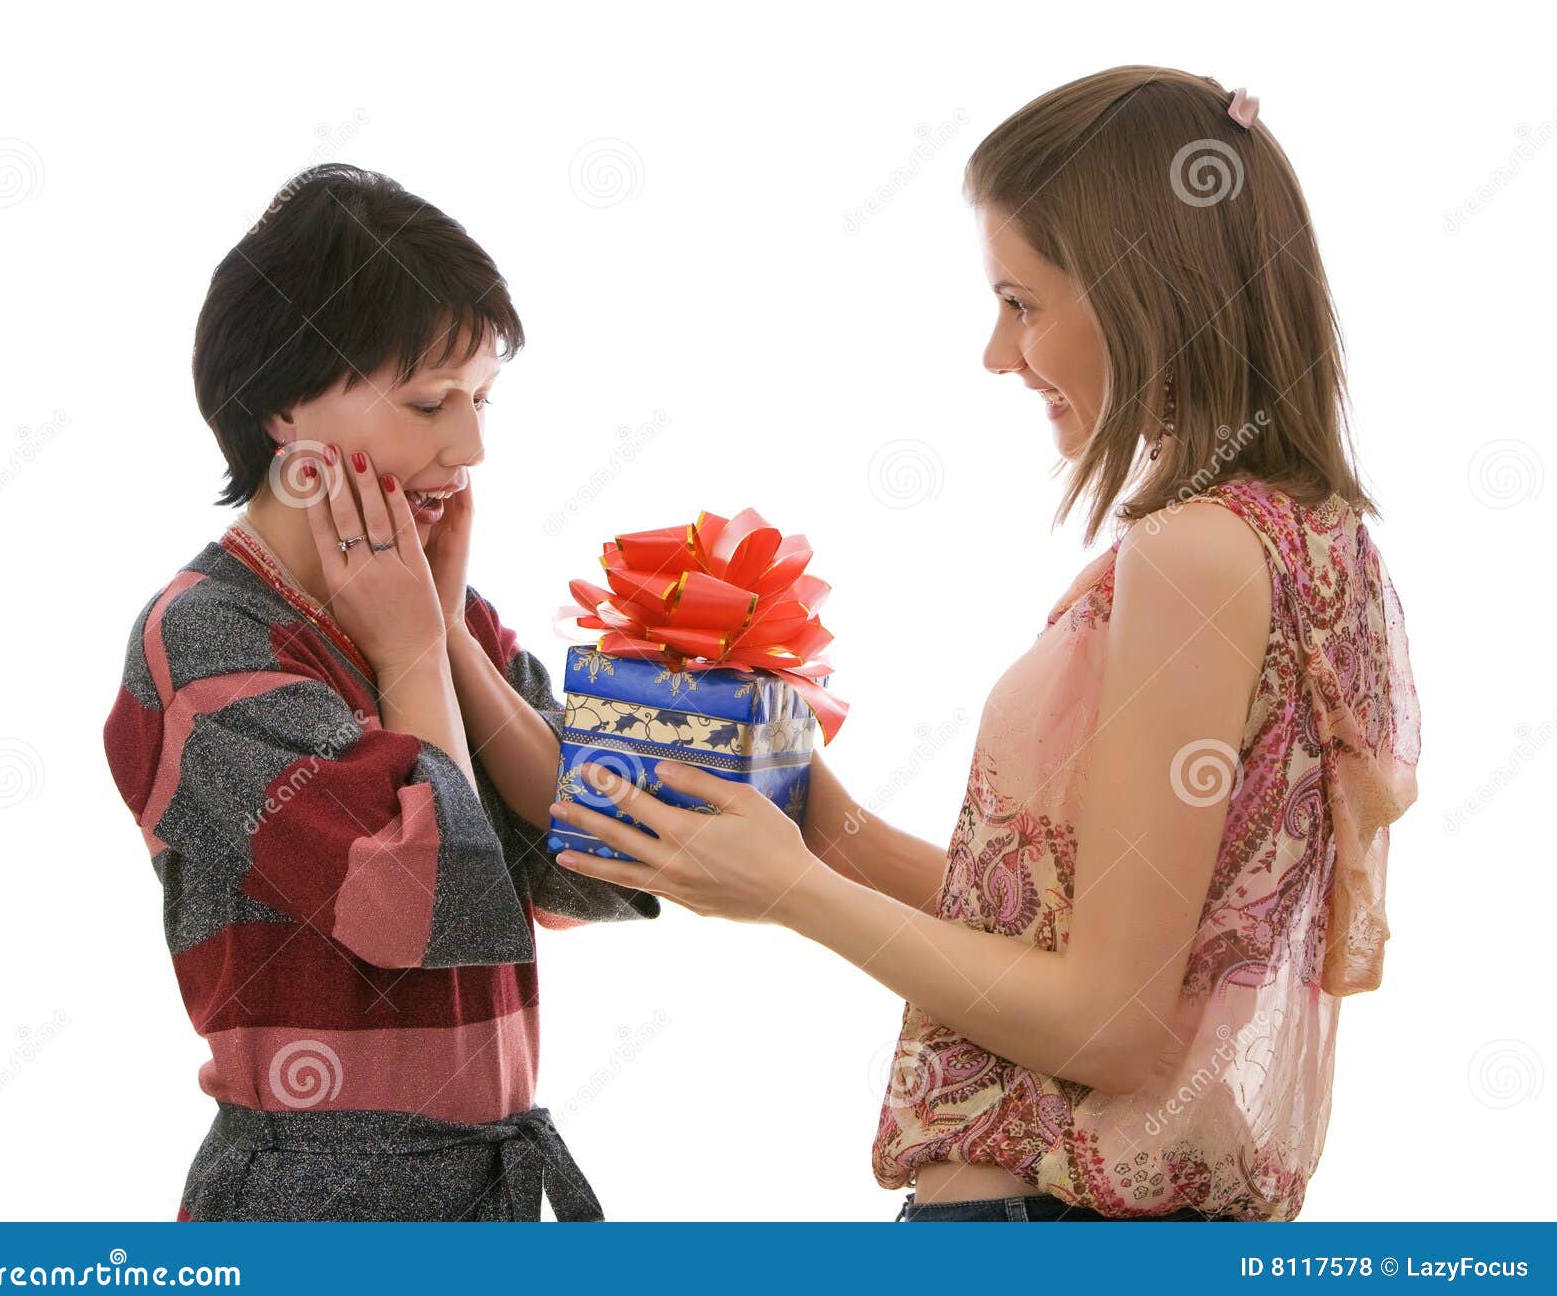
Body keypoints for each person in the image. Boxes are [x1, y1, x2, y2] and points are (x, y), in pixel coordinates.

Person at [550, 67, 1422, 1222]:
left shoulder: (1194, 557)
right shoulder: (1312, 538)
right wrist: (836, 835)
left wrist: (795, 893)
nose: (997, 355)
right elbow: (1099, 924)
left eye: (1021, 302)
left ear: (1140, 291)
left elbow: (1106, 1026)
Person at [101, 164, 658, 1222]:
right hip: (314, 1202)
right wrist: (411, 653)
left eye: (482, 399)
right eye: (428, 403)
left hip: (483, 1185)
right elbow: (427, 909)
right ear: (279, 407)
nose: (472, 447)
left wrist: (445, 640)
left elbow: (586, 859)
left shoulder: (440, 605)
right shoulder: (204, 639)